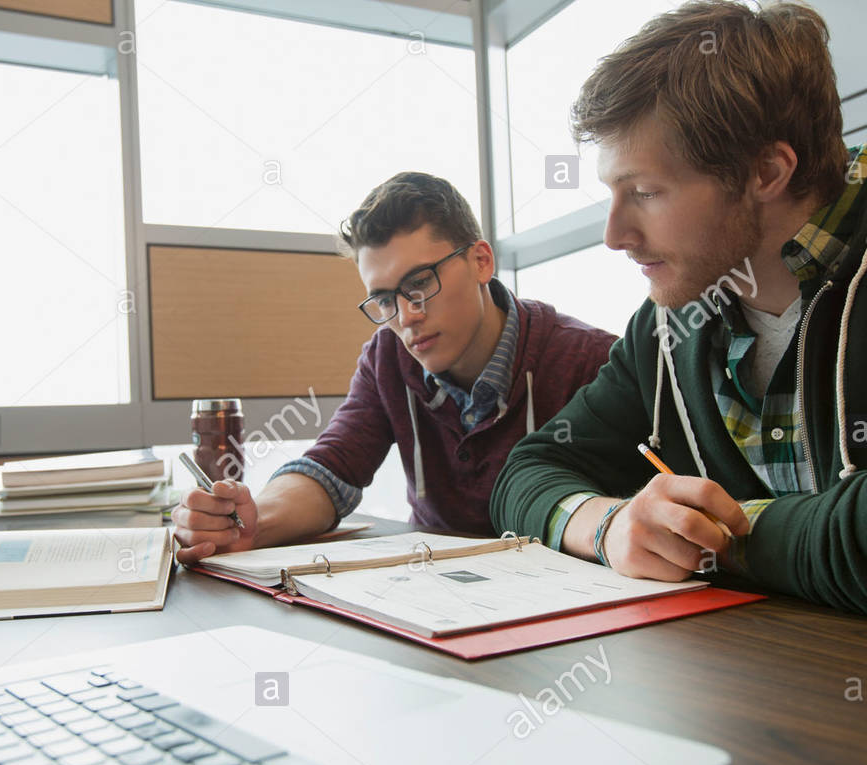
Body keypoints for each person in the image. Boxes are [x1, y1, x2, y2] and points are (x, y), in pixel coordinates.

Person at [490, 0, 867, 637]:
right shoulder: (668, 323)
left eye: (644, 192)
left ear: (767, 170)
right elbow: (526, 472)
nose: (615, 234)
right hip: (781, 704)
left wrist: (707, 538)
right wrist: (611, 524)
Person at [172, 172, 616, 561]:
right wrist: (254, 519)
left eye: (420, 283)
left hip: (564, 614)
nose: (406, 316)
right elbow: (333, 468)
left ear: (481, 261)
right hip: (437, 603)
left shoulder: (589, 360)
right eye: (384, 299)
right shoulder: (387, 356)